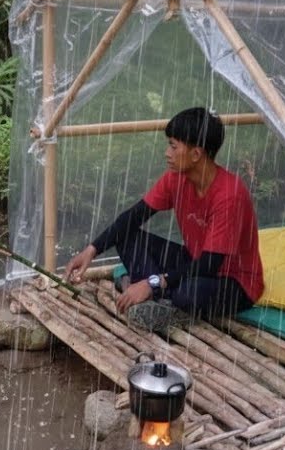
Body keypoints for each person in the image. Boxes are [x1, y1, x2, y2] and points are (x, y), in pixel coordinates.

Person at [63, 107, 263, 326]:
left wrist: (153, 282)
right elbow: (133, 217)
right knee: (125, 235)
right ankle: (154, 294)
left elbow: (209, 265)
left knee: (188, 293)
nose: (167, 153)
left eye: (173, 146)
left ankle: (149, 290)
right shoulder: (175, 178)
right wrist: (91, 250)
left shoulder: (230, 195)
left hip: (234, 282)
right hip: (195, 262)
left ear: (196, 154)